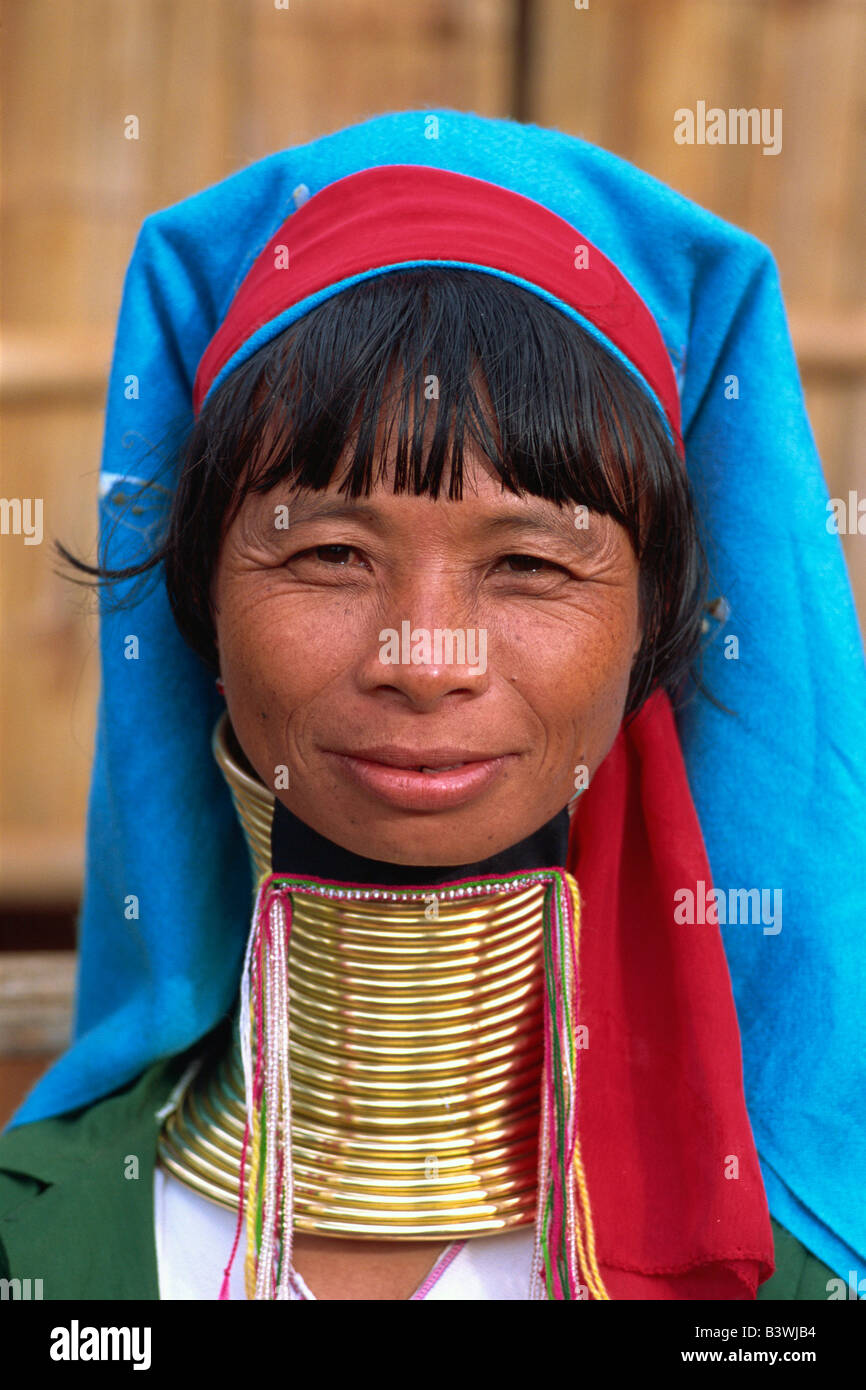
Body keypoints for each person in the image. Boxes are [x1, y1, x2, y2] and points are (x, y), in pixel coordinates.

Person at [0, 109, 862, 1302]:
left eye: (529, 565)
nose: (424, 654)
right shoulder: (32, 1251)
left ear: (655, 624)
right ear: (197, 602)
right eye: (331, 554)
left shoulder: (803, 1277)